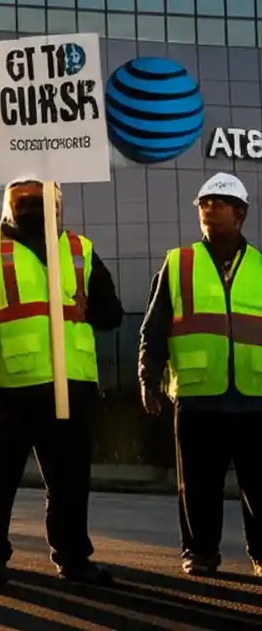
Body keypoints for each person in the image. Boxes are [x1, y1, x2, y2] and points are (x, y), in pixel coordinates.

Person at [0, 178, 122, 586]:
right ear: (8, 208)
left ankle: (73, 556)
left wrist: (89, 310)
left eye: (40, 200)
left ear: (58, 207)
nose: (31, 208)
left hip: (71, 386)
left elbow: (112, 313)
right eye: (22, 202)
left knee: (70, 481)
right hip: (10, 388)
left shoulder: (80, 251)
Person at [138, 172, 262, 578]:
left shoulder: (261, 266)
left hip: (255, 396)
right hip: (197, 395)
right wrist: (148, 379)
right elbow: (154, 328)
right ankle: (201, 553)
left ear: (240, 213)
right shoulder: (179, 263)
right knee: (197, 484)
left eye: (218, 203)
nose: (208, 209)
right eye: (203, 203)